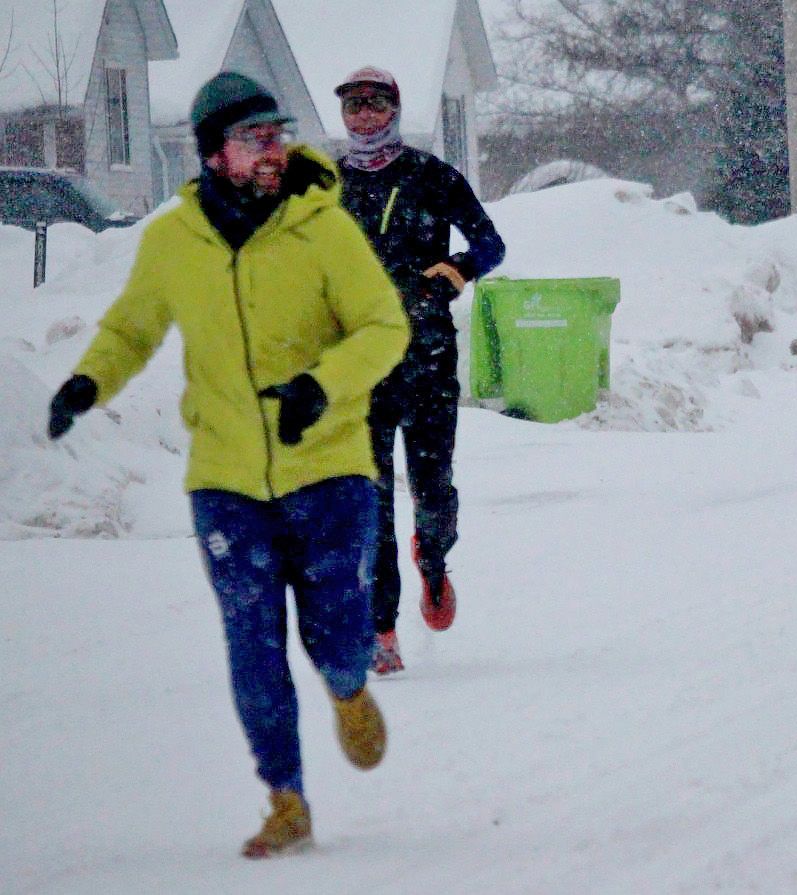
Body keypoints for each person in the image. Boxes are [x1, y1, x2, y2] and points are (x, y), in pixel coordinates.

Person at [46, 72, 411, 858]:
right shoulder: (174, 240)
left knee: (337, 633)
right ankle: (286, 797)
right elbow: (133, 328)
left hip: (329, 471)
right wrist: (87, 381)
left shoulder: (324, 228)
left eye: (278, 135)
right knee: (252, 642)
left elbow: (384, 327)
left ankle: (348, 684)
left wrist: (322, 385)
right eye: (256, 138)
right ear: (215, 152)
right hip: (225, 480)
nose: (274, 149)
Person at [333, 66, 506, 674]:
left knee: (432, 494)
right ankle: (382, 631)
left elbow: (491, 244)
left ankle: (433, 560)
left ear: (395, 110)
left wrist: (454, 272)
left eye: (375, 105)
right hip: (360, 368)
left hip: (429, 361)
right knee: (369, 505)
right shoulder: (327, 187)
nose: (364, 116)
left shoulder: (431, 177)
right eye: (354, 107)